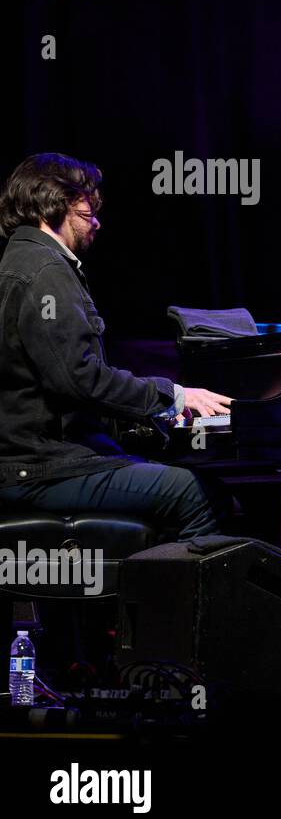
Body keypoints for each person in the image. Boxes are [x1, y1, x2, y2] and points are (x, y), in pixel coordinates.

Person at [0, 153, 231, 541]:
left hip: (33, 461)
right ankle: (182, 602)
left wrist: (147, 418)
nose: (97, 223)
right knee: (197, 494)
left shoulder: (20, 261)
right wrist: (172, 396)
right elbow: (79, 380)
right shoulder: (46, 270)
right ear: (55, 201)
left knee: (172, 481)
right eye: (89, 211)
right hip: (41, 469)